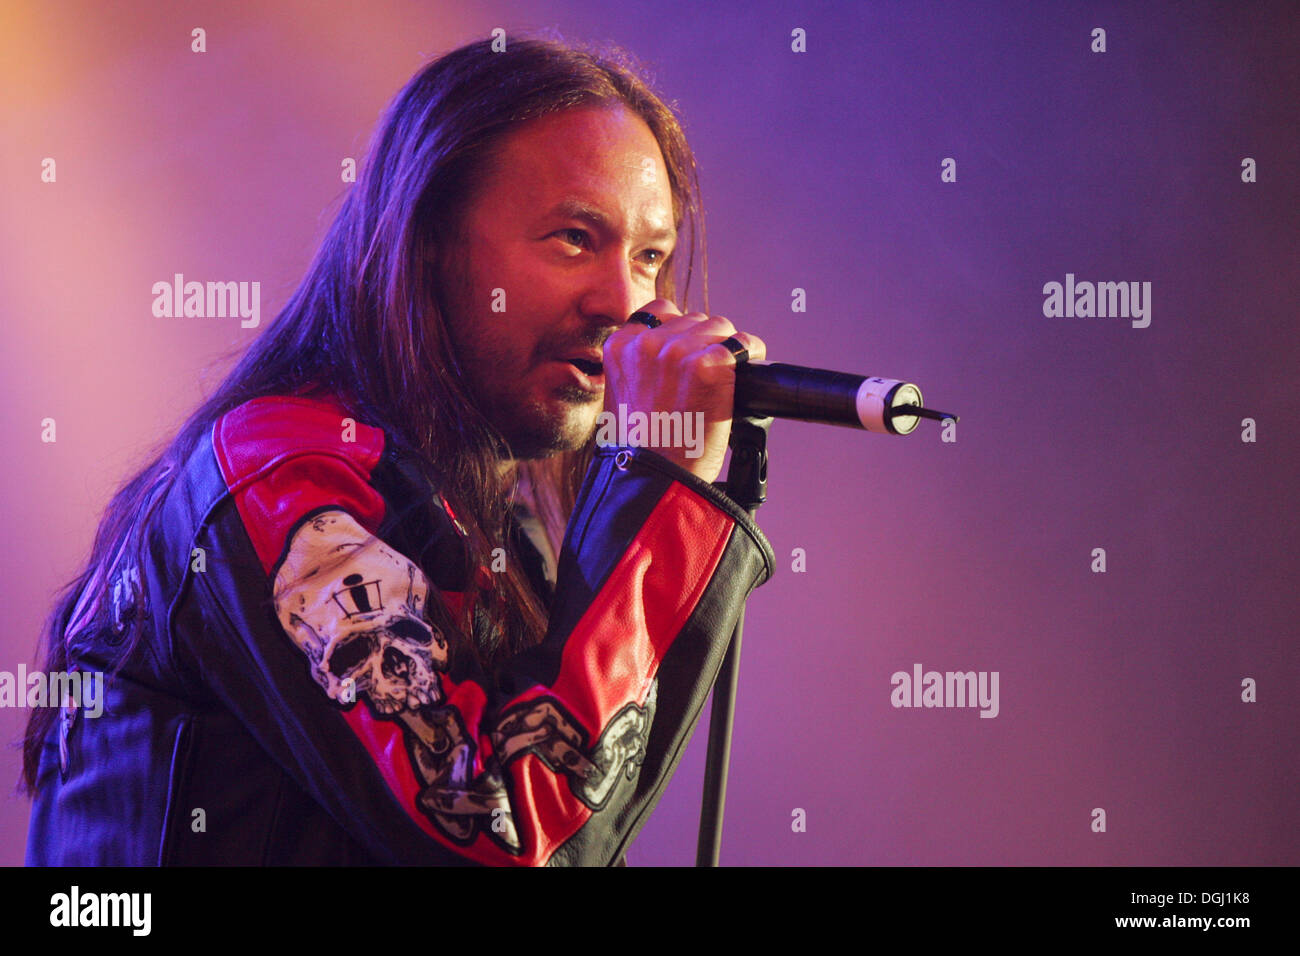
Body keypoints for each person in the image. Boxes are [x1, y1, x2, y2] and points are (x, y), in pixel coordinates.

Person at [21, 36, 773, 866]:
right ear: (429, 242)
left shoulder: (490, 517)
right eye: (572, 238)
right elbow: (505, 841)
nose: (628, 303)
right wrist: (663, 485)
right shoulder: (285, 475)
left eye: (651, 257)